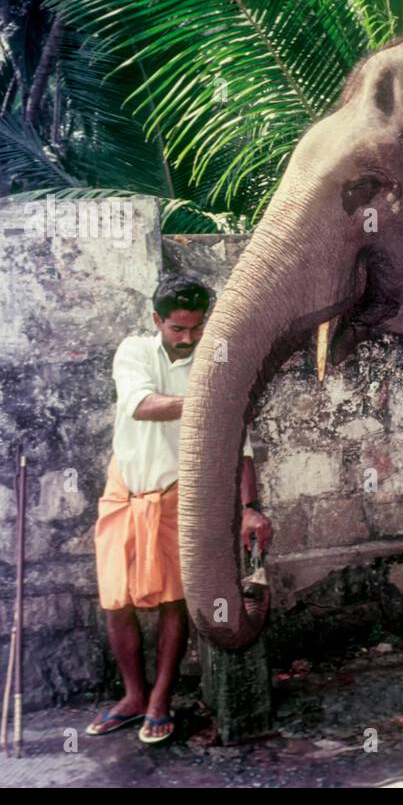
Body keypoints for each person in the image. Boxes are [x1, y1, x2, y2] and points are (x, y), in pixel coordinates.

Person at [87, 275, 273, 744]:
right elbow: (140, 405)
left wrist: (250, 508)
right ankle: (132, 696)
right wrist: (209, 404)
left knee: (174, 600)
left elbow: (240, 445)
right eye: (177, 329)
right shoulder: (133, 351)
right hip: (124, 490)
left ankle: (159, 700)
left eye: (195, 329)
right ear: (157, 321)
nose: (187, 339)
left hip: (177, 493)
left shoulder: (215, 365)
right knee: (115, 601)